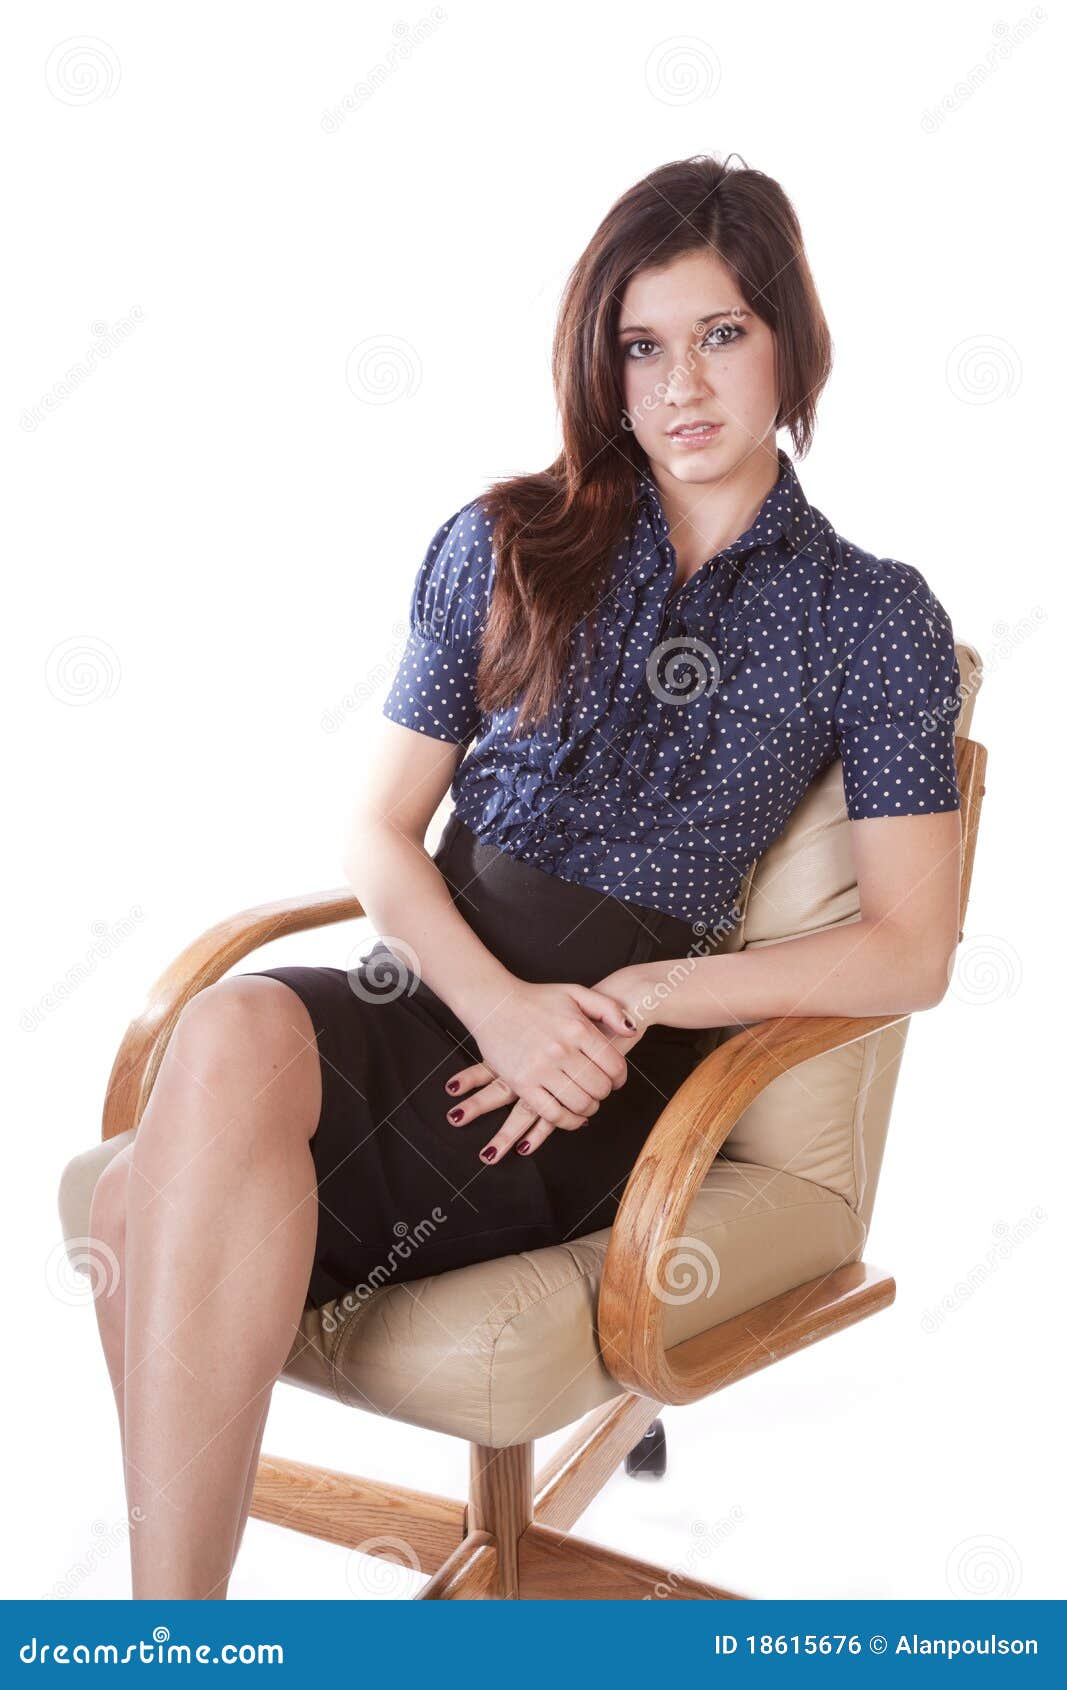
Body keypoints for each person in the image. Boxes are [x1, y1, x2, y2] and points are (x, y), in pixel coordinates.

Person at [87, 153, 963, 1599]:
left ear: (791, 340)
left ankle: (166, 1633)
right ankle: (175, 1638)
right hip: (445, 980)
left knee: (136, 1206)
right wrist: (496, 1003)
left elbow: (911, 946)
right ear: (602, 366)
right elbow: (378, 831)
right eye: (642, 346)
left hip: (608, 1067)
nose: (683, 384)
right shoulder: (508, 539)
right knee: (229, 1024)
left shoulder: (871, 616)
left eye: (723, 334)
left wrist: (636, 993)